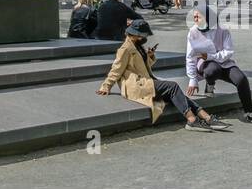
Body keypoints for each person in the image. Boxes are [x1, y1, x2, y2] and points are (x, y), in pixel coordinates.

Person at [96, 20, 230, 132]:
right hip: (136, 86)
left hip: (145, 81)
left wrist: (149, 56)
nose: (145, 38)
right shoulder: (125, 49)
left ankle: (206, 117)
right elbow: (116, 69)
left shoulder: (137, 46)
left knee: (177, 94)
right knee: (172, 86)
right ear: (136, 35)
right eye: (143, 36)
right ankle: (192, 120)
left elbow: (141, 66)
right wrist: (106, 86)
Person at [184, 8, 252, 123]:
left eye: (198, 17)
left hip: (224, 62)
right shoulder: (193, 32)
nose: (195, 19)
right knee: (212, 70)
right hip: (204, 63)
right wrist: (192, 79)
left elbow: (228, 51)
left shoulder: (222, 30)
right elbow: (190, 56)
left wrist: (211, 56)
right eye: (194, 17)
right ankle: (209, 85)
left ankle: (249, 112)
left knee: (241, 79)